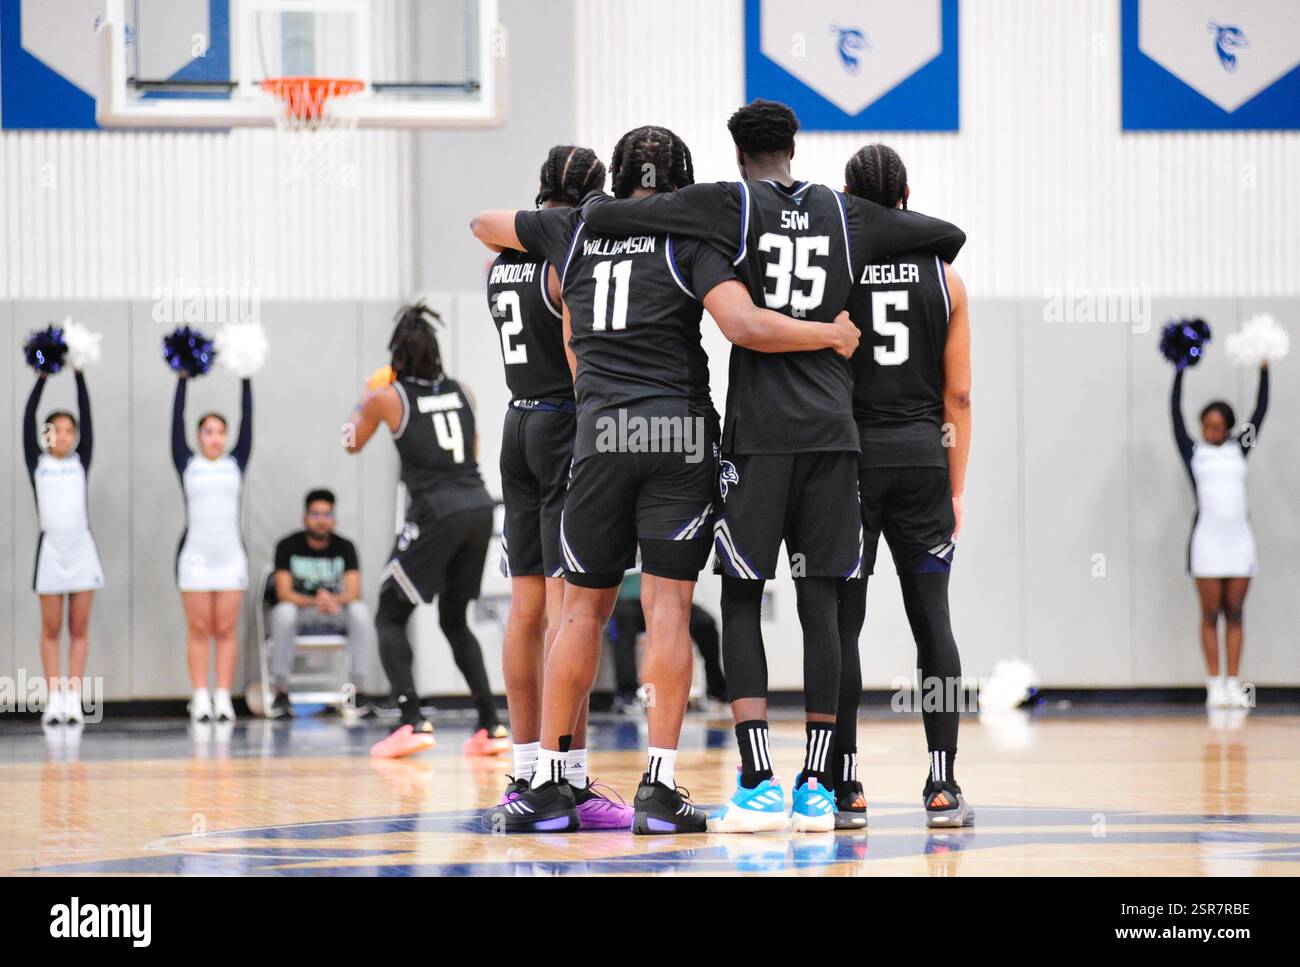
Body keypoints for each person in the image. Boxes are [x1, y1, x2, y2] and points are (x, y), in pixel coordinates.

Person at [580, 100, 965, 833]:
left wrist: (601, 203)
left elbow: (612, 218)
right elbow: (946, 236)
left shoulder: (727, 204)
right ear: (795, 146)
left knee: (741, 595)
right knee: (824, 606)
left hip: (758, 436)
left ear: (737, 154)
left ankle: (758, 780)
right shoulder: (845, 213)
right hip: (832, 436)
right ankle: (818, 787)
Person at [472, 124, 860, 834]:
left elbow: (483, 223)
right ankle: (657, 789)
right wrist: (829, 334)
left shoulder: (575, 228)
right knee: (668, 612)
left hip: (601, 433)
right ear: (681, 183)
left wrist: (564, 221)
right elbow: (741, 323)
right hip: (678, 432)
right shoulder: (691, 236)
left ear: (615, 179)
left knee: (578, 612)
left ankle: (549, 783)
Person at [482, 144, 630, 827]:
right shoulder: (564, 258)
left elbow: (483, 223)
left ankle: (522, 768)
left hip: (515, 423)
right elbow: (578, 359)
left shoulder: (499, 262)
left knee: (526, 607)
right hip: (564, 424)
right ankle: (563, 776)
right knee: (574, 613)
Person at [834, 144, 974, 829]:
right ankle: (942, 784)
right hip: (923, 460)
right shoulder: (946, 278)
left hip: (852, 461)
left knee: (843, 625)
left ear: (847, 199)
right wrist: (956, 488)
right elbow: (960, 395)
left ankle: (846, 786)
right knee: (933, 622)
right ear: (907, 195)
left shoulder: (837, 266)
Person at [345, 304, 505, 758]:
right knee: (454, 618)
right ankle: (491, 724)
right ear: (435, 352)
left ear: (397, 355)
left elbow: (350, 442)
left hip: (436, 511)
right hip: (479, 506)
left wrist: (364, 397)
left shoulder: (387, 397)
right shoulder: (464, 391)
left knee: (389, 614)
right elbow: (471, 451)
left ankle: (411, 720)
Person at [1171, 359, 1269, 710]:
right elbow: (1175, 416)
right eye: (1206, 426)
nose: (1210, 431)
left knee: (1236, 612)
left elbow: (1260, 412)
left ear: (1228, 428)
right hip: (1207, 544)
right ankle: (1214, 684)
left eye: (1216, 426)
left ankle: (1233, 683)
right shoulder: (1193, 453)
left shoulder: (1239, 449)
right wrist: (1180, 370)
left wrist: (1264, 370)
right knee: (1211, 613)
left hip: (1239, 541)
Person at [24, 369, 104, 726]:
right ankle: (54, 697)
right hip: (51, 554)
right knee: (51, 628)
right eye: (55, 429)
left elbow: (87, 413)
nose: (63, 436)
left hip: (81, 551)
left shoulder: (80, 462)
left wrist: (80, 373)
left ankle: (73, 696)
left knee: (79, 628)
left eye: (69, 430)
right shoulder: (37, 463)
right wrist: (42, 377)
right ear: (46, 434)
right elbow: (28, 417)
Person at [173, 373, 252, 723]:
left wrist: (246, 379)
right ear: (198, 436)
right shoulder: (187, 464)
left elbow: (248, 420)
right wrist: (182, 380)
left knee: (225, 629)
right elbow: (175, 422)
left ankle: (222, 696)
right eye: (208, 432)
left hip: (230, 556)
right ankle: (200, 696)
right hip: (196, 557)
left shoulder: (236, 463)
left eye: (221, 432)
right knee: (199, 628)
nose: (215, 438)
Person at [268, 489, 375, 718]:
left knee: (360, 611)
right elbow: (283, 593)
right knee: (283, 612)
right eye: (316, 514)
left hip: (334, 611)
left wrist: (332, 600)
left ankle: (357, 690)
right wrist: (314, 601)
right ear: (305, 517)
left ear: (334, 518)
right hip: (302, 612)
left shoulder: (345, 547)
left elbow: (354, 591)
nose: (321, 521)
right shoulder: (287, 546)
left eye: (327, 514)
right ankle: (281, 691)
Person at [608, 572, 726, 711]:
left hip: (669, 596)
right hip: (629, 600)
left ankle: (716, 689)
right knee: (622, 619)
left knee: (705, 622)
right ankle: (626, 693)